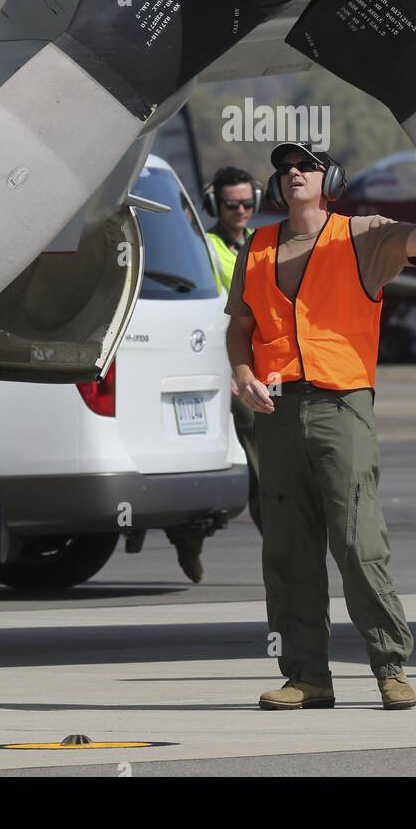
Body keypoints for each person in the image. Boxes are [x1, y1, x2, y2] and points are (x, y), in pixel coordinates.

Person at [225, 139, 416, 711]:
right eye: (285, 168)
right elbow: (240, 325)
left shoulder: (364, 235)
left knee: (357, 541)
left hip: (341, 405)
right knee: (287, 548)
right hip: (275, 412)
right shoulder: (258, 245)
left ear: (331, 178)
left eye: (305, 165)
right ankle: (307, 677)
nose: (293, 173)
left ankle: (390, 667)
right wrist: (242, 371)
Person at [164, 166, 263, 582]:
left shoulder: (260, 244)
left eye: (246, 203)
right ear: (213, 205)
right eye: (230, 204)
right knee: (254, 460)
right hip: (217, 365)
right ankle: (189, 535)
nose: (240, 211)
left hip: (256, 364)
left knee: (266, 464)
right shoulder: (205, 250)